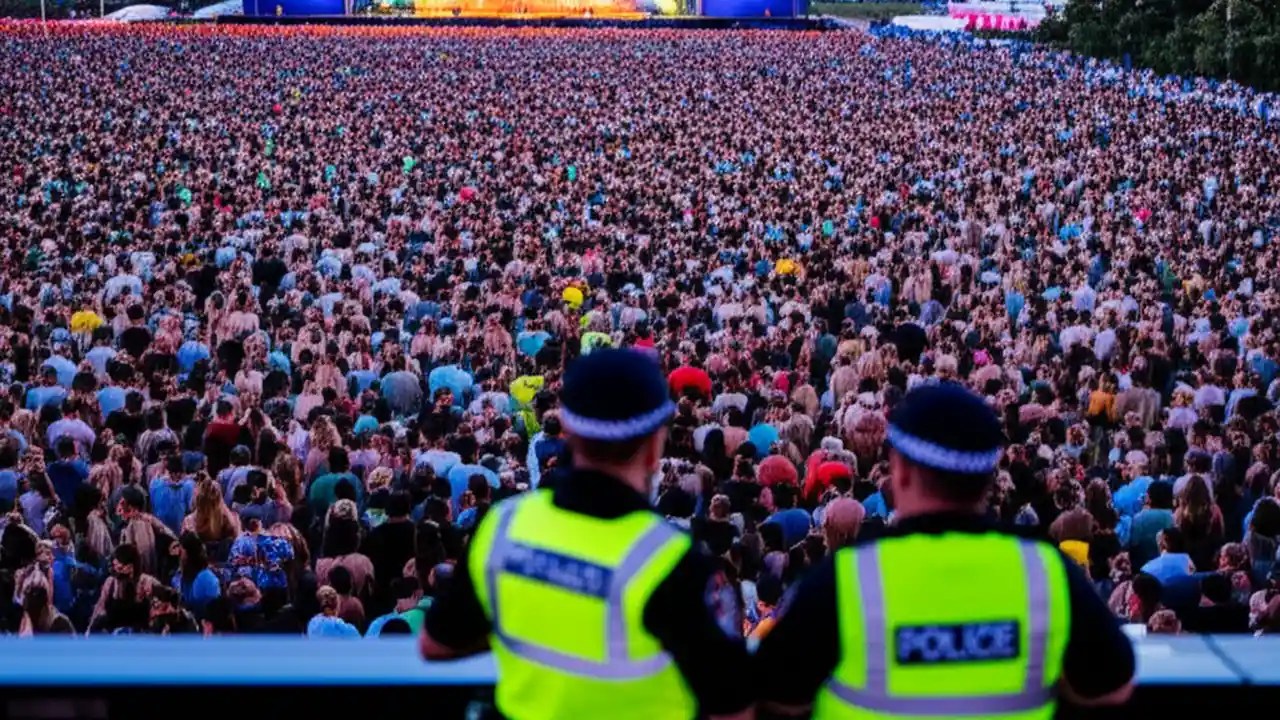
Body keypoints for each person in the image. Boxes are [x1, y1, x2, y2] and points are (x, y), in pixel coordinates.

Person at [755, 384, 1135, 716]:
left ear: (899, 471)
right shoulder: (1046, 573)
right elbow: (1114, 687)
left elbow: (774, 695)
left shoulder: (845, 579)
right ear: (989, 480)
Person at [421, 349, 752, 720]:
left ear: (567, 431)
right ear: (655, 442)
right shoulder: (677, 563)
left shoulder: (502, 527)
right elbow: (734, 708)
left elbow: (435, 644)